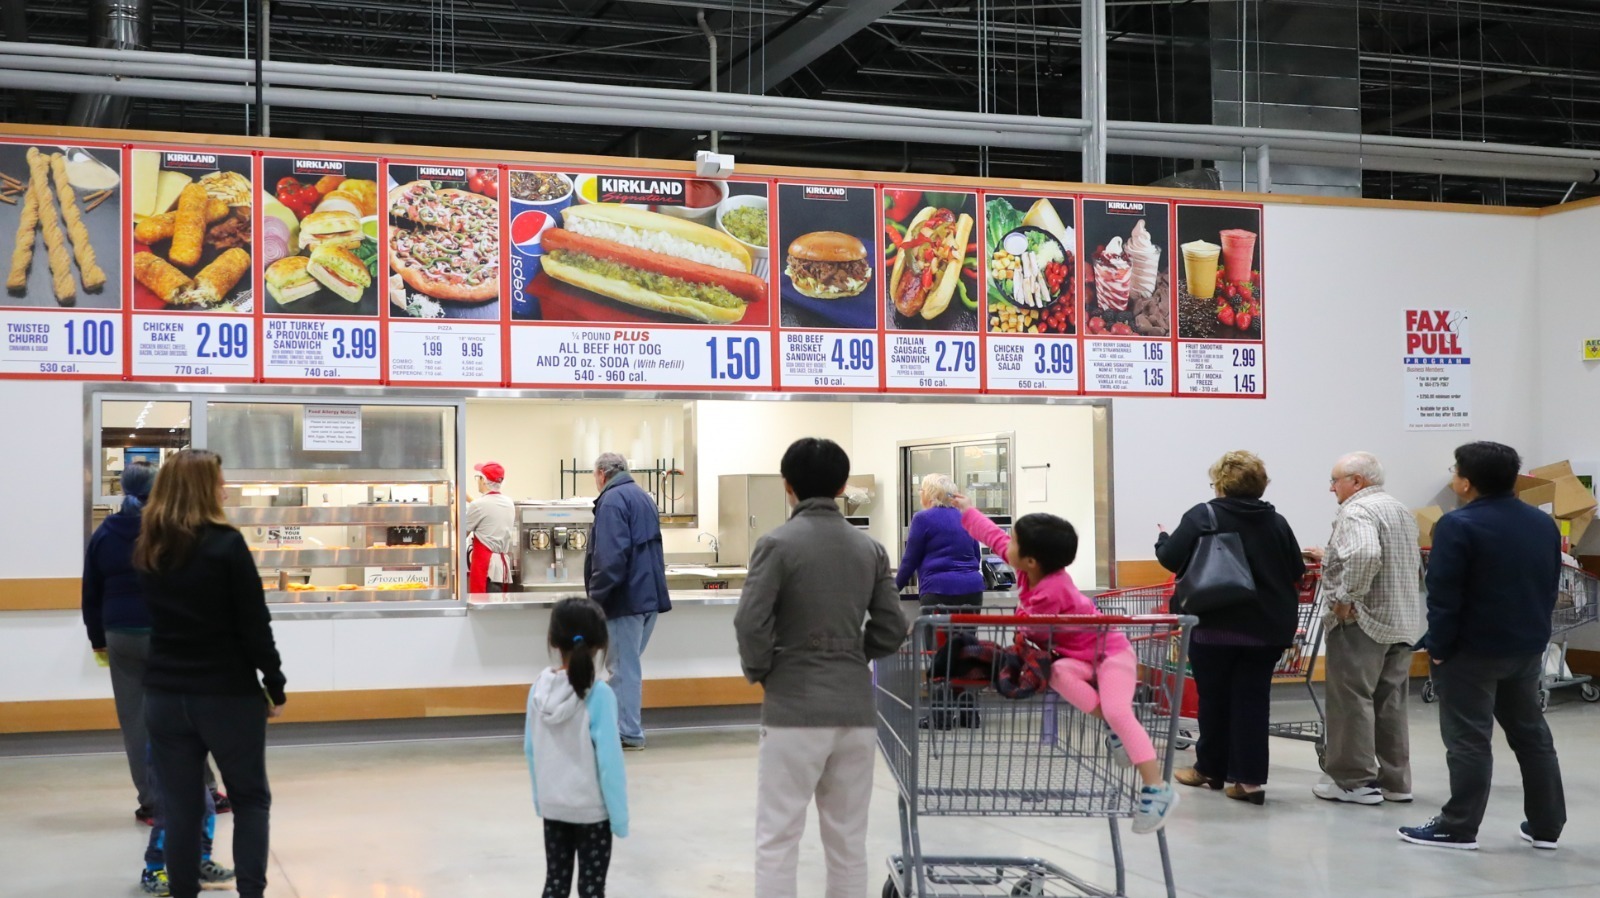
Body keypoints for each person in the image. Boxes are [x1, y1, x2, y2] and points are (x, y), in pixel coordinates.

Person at [734, 438, 905, 898]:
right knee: (849, 841)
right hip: (855, 711)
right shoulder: (869, 549)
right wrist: (855, 654)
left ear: (787, 486)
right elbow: (892, 627)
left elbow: (750, 621)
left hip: (792, 707)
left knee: (777, 838)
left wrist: (766, 671)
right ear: (843, 485)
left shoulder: (775, 544)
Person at [956, 497, 1178, 833]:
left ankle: (1157, 788)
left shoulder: (1052, 588)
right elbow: (995, 538)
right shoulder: (1029, 568)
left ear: (1030, 559)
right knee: (1057, 673)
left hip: (1110, 653)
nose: (1007, 545)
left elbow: (1031, 628)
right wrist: (968, 511)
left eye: (1015, 541)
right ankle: (1119, 730)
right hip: (1076, 658)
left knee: (1120, 712)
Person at [1399, 441, 1566, 851]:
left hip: (1470, 651)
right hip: (1525, 647)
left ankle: (1458, 826)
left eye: (1455, 471)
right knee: (1532, 735)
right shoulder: (1542, 524)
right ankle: (1547, 825)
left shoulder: (1458, 525)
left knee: (1468, 739)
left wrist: (1437, 646)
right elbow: (1549, 586)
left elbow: (1443, 594)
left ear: (1466, 482)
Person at [135, 449, 286, 898]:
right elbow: (254, 624)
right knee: (250, 800)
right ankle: (251, 893)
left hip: (164, 694)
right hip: (226, 694)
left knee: (180, 809)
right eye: (220, 480)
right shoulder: (225, 543)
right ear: (203, 488)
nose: (225, 488)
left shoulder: (150, 545)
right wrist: (274, 684)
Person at [81, 459, 226, 828]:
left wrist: (98, 639)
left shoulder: (105, 533)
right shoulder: (170, 530)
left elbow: (91, 591)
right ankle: (205, 791)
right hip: (166, 634)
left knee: (135, 721)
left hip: (119, 636)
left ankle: (152, 804)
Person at [1156, 450, 1305, 805]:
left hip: (1214, 626)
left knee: (1215, 699)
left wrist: (1163, 539)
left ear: (1221, 484)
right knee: (1253, 702)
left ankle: (1209, 769)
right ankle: (1249, 782)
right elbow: (1296, 570)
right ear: (1260, 484)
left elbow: (1170, 558)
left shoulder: (1203, 515)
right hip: (1267, 630)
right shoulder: (1277, 522)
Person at [1307, 452, 1425, 806]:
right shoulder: (1400, 510)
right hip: (1401, 621)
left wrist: (1345, 597)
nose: (1331, 488)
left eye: (1335, 480)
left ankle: (1354, 781)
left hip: (1364, 622)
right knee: (1390, 703)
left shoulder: (1356, 511)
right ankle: (1395, 782)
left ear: (1356, 481)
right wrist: (1328, 557)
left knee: (1351, 700)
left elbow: (1365, 556)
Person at [526, 597, 629, 898]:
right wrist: (619, 817)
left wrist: (540, 800)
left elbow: (531, 749)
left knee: (555, 885)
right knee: (591, 889)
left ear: (553, 641)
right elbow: (610, 764)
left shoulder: (538, 690)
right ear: (600, 643)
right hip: (592, 814)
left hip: (554, 808)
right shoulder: (600, 696)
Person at [585, 452, 670, 751]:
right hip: (648, 598)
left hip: (625, 599)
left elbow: (610, 558)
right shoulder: (642, 497)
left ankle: (628, 733)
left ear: (601, 474)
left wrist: (595, 600)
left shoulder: (611, 501)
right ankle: (622, 728)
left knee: (622, 670)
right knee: (627, 667)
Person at [896, 473, 986, 609]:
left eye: (921, 490)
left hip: (938, 589)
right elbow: (976, 555)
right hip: (972, 589)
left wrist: (891, 591)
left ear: (929, 493)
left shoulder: (922, 518)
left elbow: (910, 561)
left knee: (937, 631)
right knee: (965, 630)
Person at [466, 460, 516, 594]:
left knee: (483, 607)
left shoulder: (479, 505)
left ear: (483, 480)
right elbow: (488, 511)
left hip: (486, 568)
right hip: (500, 568)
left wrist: (453, 509)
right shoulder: (509, 503)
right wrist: (468, 499)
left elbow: (462, 533)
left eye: (478, 477)